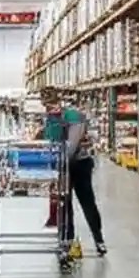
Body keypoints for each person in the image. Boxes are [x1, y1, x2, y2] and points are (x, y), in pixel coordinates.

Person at [39, 87, 106, 256]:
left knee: (87, 201)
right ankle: (66, 241)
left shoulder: (74, 116)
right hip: (62, 165)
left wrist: (58, 160)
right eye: (46, 105)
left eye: (51, 104)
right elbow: (49, 139)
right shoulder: (50, 118)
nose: (49, 108)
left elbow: (72, 145)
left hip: (80, 164)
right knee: (64, 203)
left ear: (58, 101)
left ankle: (99, 239)